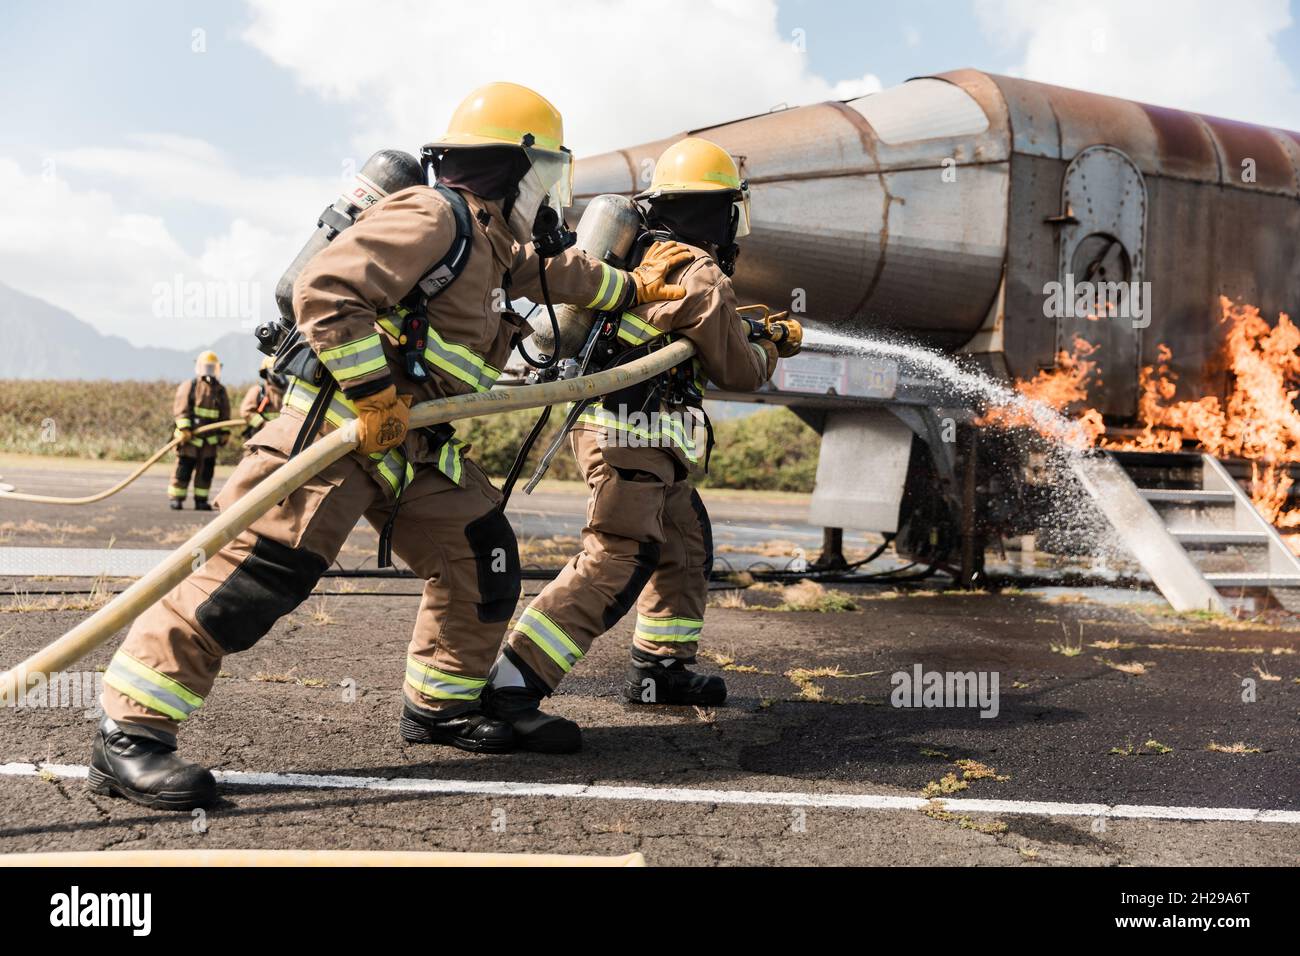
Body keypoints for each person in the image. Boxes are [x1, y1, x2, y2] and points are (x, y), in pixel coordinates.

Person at [89, 82, 694, 810]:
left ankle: (440, 708)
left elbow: (566, 275)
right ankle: (130, 736)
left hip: (411, 447)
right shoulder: (435, 216)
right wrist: (375, 396)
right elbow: (326, 289)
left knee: (483, 559)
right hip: (339, 431)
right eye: (550, 175)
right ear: (519, 166)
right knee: (251, 580)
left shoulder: (498, 243)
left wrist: (635, 289)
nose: (553, 194)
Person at [481, 137, 802, 752]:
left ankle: (661, 670)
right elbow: (737, 368)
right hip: (633, 436)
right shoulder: (698, 270)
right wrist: (771, 346)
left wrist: (747, 329)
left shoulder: (644, 255)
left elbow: (683, 334)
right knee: (616, 559)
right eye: (732, 211)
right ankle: (514, 685)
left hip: (636, 432)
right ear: (718, 211)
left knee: (682, 545)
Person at [168, 350, 231, 511]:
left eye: (213, 368)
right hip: (189, 439)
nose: (210, 372)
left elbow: (225, 414)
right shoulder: (190, 386)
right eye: (207, 368)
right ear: (199, 368)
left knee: (206, 471)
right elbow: (181, 409)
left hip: (209, 441)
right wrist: (184, 428)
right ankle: (177, 498)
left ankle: (201, 500)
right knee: (184, 469)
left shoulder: (220, 391)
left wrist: (224, 433)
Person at [239, 356, 285, 438]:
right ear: (267, 373)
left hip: (280, 439)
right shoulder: (258, 391)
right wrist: (262, 423)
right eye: (275, 372)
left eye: (280, 371)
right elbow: (245, 412)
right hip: (259, 441)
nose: (278, 375)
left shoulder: (288, 393)